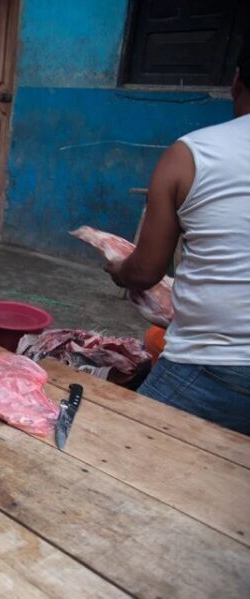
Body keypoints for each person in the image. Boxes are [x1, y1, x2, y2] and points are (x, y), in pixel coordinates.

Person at [105, 35, 250, 435]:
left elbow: (146, 270)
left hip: (214, 369)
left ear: (236, 82)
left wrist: (119, 268)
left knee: (114, 462)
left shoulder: (191, 155)